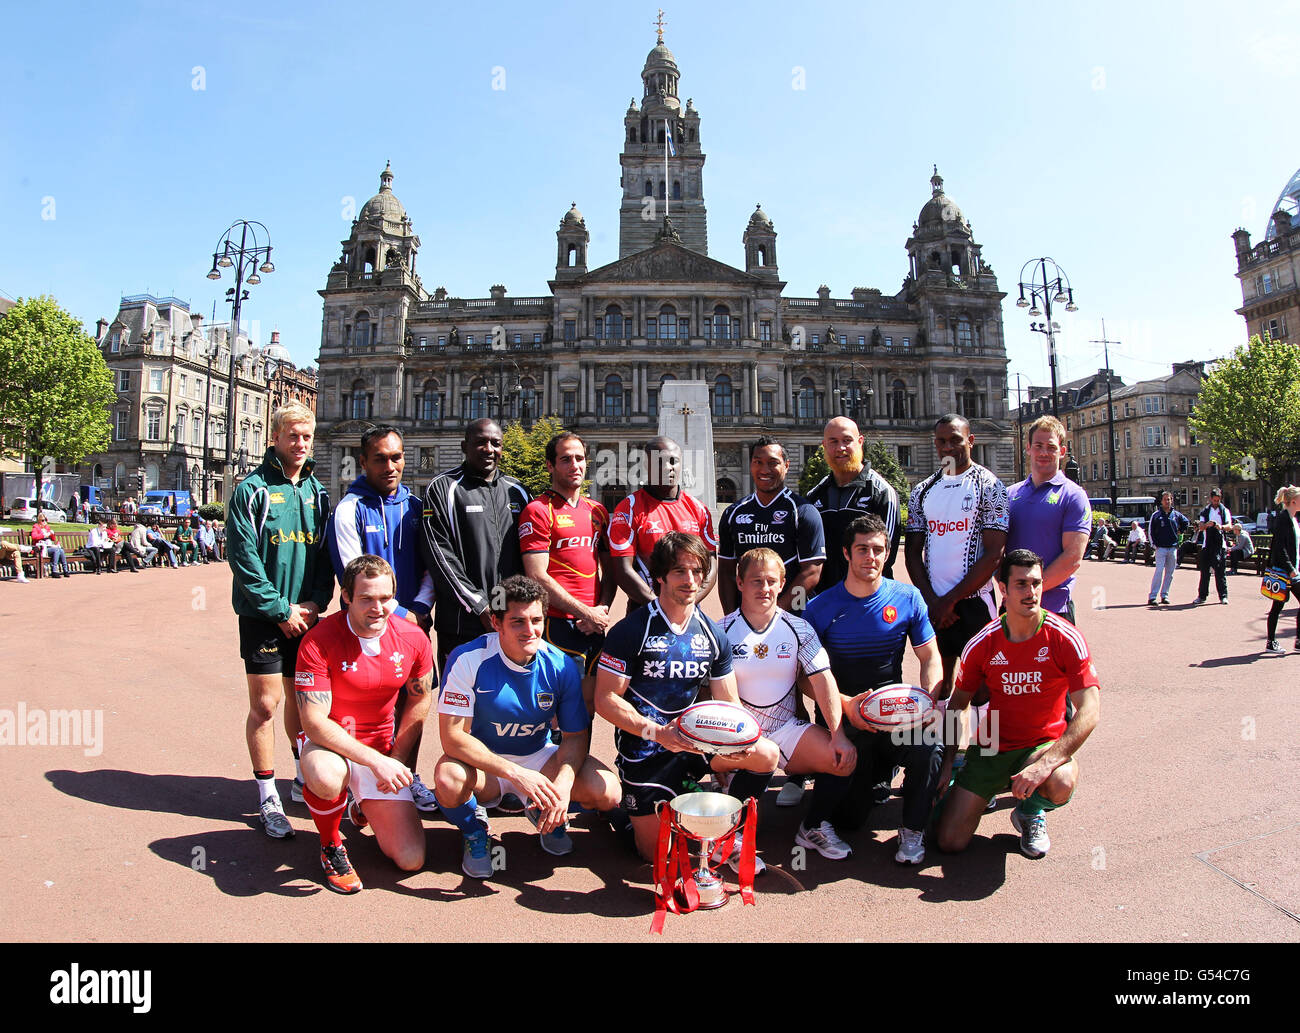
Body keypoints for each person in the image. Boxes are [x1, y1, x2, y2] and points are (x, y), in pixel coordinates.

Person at [595, 532, 780, 864]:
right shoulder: (632, 630)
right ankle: (624, 813)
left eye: (697, 571)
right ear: (660, 576)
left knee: (765, 753)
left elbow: (728, 702)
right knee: (654, 858)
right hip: (645, 753)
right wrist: (659, 734)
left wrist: (738, 741)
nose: (691, 580)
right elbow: (606, 699)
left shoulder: (713, 635)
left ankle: (728, 833)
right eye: (680, 571)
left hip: (695, 746)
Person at [433, 575, 621, 878]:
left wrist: (561, 785)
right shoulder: (467, 658)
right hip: (487, 765)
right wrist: (517, 774)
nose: (530, 630)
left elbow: (575, 737)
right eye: (517, 621)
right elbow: (453, 738)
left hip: (537, 757)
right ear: (497, 623)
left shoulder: (560, 664)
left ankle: (542, 809)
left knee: (608, 791)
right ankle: (474, 830)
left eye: (536, 620)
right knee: (448, 777)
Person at [935, 549, 1101, 859]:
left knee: (1061, 780)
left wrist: (1046, 764)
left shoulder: (1065, 637)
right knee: (948, 842)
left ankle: (1029, 811)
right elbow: (957, 705)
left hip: (1040, 747)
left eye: (1036, 583)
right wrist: (945, 764)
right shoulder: (983, 642)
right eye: (1021, 584)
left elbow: (1090, 710)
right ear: (1003, 587)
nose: (1031, 592)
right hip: (991, 748)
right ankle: (975, 788)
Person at [802, 515, 943, 864]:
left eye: (878, 549)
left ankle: (912, 830)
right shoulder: (820, 608)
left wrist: (930, 704)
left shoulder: (908, 598)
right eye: (862, 549)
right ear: (847, 554)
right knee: (850, 821)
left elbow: (930, 657)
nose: (871, 557)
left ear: (888, 553)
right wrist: (848, 706)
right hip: (845, 720)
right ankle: (873, 776)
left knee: (931, 743)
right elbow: (804, 678)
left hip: (895, 715)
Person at [293, 555, 434, 893]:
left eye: (385, 598)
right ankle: (331, 845)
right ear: (346, 597)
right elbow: (314, 723)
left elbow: (419, 700)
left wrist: (396, 760)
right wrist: (376, 762)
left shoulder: (414, 638)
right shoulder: (318, 640)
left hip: (381, 748)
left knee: (411, 859)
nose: (378, 608)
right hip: (331, 746)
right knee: (327, 777)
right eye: (366, 598)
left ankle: (360, 803)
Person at [227, 401, 334, 838]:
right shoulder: (250, 490)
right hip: (263, 616)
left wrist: (314, 603)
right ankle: (266, 793)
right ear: (276, 438)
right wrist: (280, 609)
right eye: (293, 436)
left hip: (305, 617)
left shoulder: (318, 493)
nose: (301, 444)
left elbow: (325, 555)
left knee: (303, 702)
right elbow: (244, 558)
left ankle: (299, 775)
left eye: (307, 437)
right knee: (266, 704)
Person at [326, 425, 439, 811]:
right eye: (380, 459)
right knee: (367, 704)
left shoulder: (415, 507)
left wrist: (421, 609)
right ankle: (359, 780)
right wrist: (405, 614)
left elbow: (431, 566)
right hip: (364, 630)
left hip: (413, 628)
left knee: (416, 702)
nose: (390, 466)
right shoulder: (347, 509)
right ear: (363, 462)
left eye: (397, 457)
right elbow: (352, 575)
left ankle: (407, 776)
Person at [719, 547, 856, 862]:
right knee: (757, 759)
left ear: (782, 584)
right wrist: (718, 744)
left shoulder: (799, 627)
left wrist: (838, 733)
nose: (764, 588)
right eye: (755, 581)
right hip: (739, 733)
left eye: (771, 581)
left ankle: (812, 828)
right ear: (739, 583)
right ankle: (731, 836)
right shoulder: (720, 631)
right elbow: (706, 694)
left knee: (842, 756)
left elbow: (823, 680)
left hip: (784, 727)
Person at [904, 414, 1008, 700]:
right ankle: (945, 745)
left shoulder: (990, 486)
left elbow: (994, 554)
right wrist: (933, 601)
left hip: (975, 604)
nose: (948, 447)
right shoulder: (922, 491)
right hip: (935, 605)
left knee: (983, 688)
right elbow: (912, 553)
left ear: (971, 441)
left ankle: (982, 746)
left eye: (955, 440)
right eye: (941, 441)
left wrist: (950, 601)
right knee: (940, 687)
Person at [419, 418, 531, 675]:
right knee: (459, 706)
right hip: (462, 623)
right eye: (480, 442)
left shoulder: (518, 491)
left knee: (505, 703)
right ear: (464, 446)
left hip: (508, 619)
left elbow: (528, 557)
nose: (489, 449)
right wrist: (480, 604)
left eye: (496, 443)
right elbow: (439, 555)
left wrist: (513, 608)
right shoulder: (443, 488)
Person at [518, 431, 615, 714]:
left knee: (588, 709)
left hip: (593, 625)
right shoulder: (538, 510)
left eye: (580, 458)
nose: (575, 465)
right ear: (550, 465)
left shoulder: (598, 511)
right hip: (556, 624)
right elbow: (536, 575)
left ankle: (578, 759)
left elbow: (610, 572)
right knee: (555, 713)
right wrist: (585, 612)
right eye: (565, 460)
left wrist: (601, 609)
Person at [717, 435, 825, 615]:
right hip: (746, 617)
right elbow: (726, 572)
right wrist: (731, 618)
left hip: (793, 615)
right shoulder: (733, 513)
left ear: (786, 466)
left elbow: (811, 573)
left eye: (773, 463)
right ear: (750, 465)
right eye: (758, 462)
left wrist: (776, 613)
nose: (764, 469)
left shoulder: (804, 511)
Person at [608, 435, 719, 609]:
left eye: (673, 461)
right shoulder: (628, 508)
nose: (668, 467)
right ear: (646, 464)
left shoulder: (699, 509)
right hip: (646, 609)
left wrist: (689, 602)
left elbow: (712, 563)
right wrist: (659, 606)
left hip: (690, 610)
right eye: (659, 461)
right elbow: (622, 569)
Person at [1005, 415, 1091, 622]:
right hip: (1011, 609)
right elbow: (995, 550)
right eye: (1038, 445)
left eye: (1051, 447)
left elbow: (1072, 558)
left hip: (1054, 609)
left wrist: (1030, 591)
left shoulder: (1073, 495)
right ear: (1028, 448)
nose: (1044, 452)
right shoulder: (1008, 494)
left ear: (1062, 451)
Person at [806, 417, 901, 589]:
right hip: (827, 598)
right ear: (824, 445)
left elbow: (887, 554)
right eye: (833, 441)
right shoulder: (815, 495)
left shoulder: (881, 492)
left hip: (869, 598)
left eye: (847, 440)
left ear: (860, 442)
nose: (840, 448)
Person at [1263, 485, 1300, 655]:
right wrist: (1291, 568)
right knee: (1277, 607)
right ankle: (1271, 642)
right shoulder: (1284, 518)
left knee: (1277, 607)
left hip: (1293, 571)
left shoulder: (1293, 518)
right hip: (1285, 571)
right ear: (1293, 501)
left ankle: (1296, 641)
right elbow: (1279, 547)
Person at [1147, 491, 1189, 606]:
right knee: (1159, 571)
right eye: (1165, 499)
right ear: (1161, 501)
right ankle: (1152, 596)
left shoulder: (1176, 515)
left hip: (1172, 547)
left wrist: (1180, 531)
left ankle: (1165, 595)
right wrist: (1154, 545)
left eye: (1169, 499)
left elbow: (1186, 522)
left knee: (1170, 573)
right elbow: (1150, 531)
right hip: (1160, 548)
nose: (1167, 501)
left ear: (1172, 500)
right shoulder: (1156, 515)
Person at [1193, 487, 1233, 605]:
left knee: (1220, 572)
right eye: (1214, 500)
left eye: (1218, 500)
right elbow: (1200, 527)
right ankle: (1202, 596)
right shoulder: (1205, 511)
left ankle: (1223, 596)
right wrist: (1206, 525)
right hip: (1207, 544)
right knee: (1204, 572)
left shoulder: (1224, 510)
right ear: (1210, 499)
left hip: (1220, 545)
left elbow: (1229, 526)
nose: (1216, 502)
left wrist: (1220, 526)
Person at [31, 513, 70, 578]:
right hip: (41, 548)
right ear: (39, 521)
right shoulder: (36, 527)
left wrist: (51, 534)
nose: (44, 522)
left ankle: (65, 570)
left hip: (49, 546)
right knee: (56, 550)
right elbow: (34, 537)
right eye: (43, 520)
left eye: (45, 520)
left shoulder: (47, 527)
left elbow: (53, 539)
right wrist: (44, 535)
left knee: (61, 550)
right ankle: (54, 571)